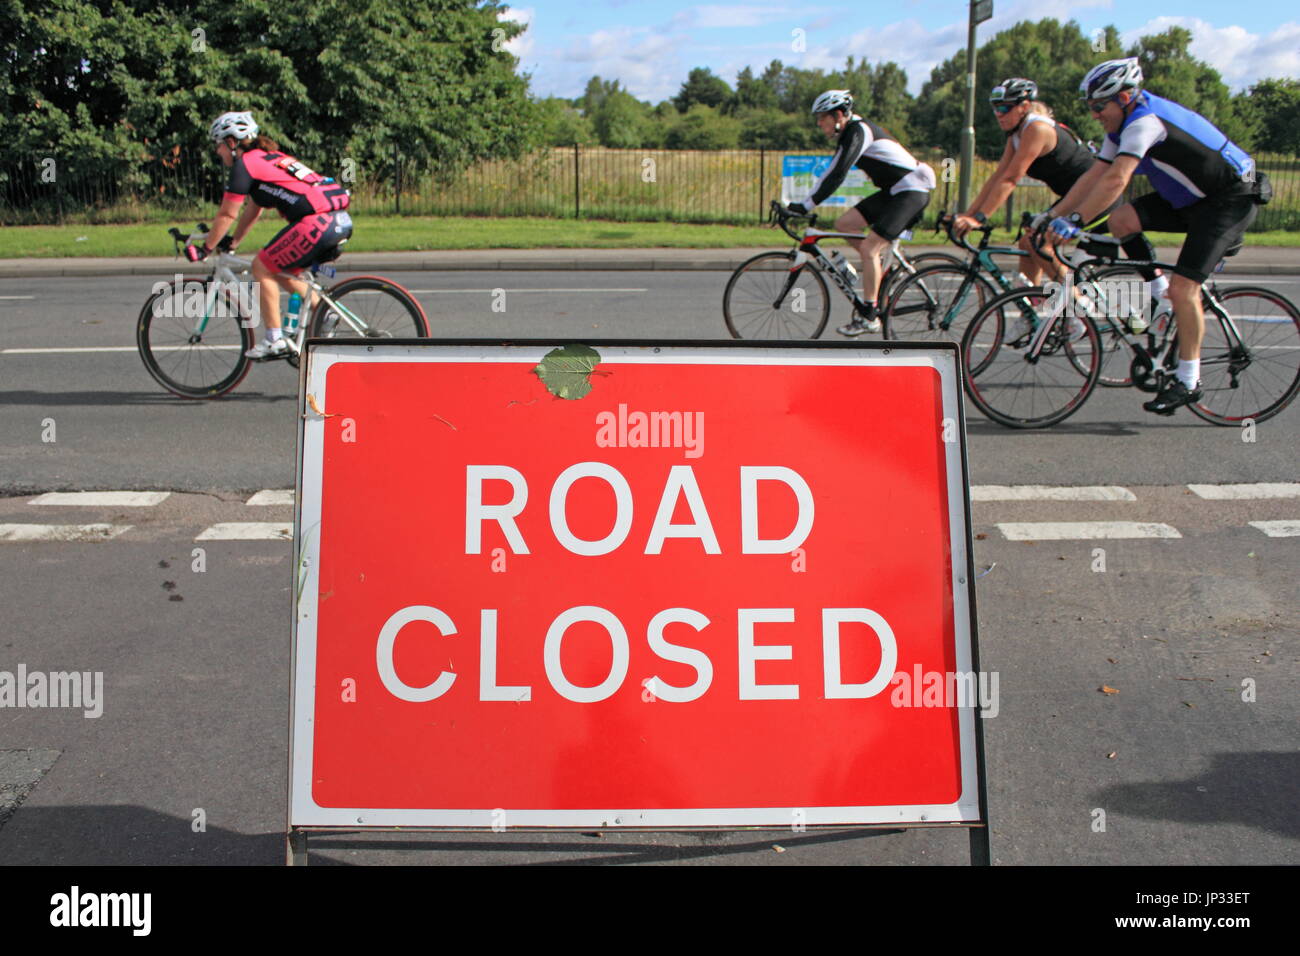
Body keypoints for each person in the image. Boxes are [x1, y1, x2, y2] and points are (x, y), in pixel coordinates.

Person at [1044, 58, 1265, 414]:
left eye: (1100, 106)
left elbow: (1117, 180)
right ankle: (1159, 292)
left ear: (1126, 97)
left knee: (1185, 289)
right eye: (1090, 107)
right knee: (1121, 221)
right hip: (1192, 198)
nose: (1095, 113)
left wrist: (1074, 221)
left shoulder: (1144, 122)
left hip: (1229, 199)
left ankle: (1188, 380)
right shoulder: (1119, 128)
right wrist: (1052, 215)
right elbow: (1093, 177)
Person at [184, 111, 353, 359]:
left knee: (262, 266)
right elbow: (253, 210)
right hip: (337, 219)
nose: (217, 152)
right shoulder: (266, 158)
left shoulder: (245, 164)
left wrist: (205, 249)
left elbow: (227, 215)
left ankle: (274, 339)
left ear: (231, 142)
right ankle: (326, 313)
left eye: (218, 146)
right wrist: (234, 242)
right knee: (282, 271)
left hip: (317, 221)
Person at [786, 90, 936, 336]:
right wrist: (804, 203)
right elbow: (830, 171)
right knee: (844, 223)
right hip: (895, 192)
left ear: (838, 115)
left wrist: (806, 206)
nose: (818, 123)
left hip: (912, 191)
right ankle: (874, 268)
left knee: (869, 248)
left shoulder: (858, 131)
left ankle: (869, 316)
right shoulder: (849, 133)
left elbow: (838, 173)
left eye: (822, 117)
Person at [953, 78, 1112, 287]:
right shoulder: (1016, 134)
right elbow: (998, 177)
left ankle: (1077, 306)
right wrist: (969, 214)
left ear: (1024, 107)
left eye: (1004, 108)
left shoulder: (1037, 129)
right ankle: (1031, 311)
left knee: (1038, 242)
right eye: (995, 109)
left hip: (1094, 194)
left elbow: (1011, 179)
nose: (999, 115)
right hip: (1074, 195)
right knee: (1027, 242)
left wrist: (981, 218)